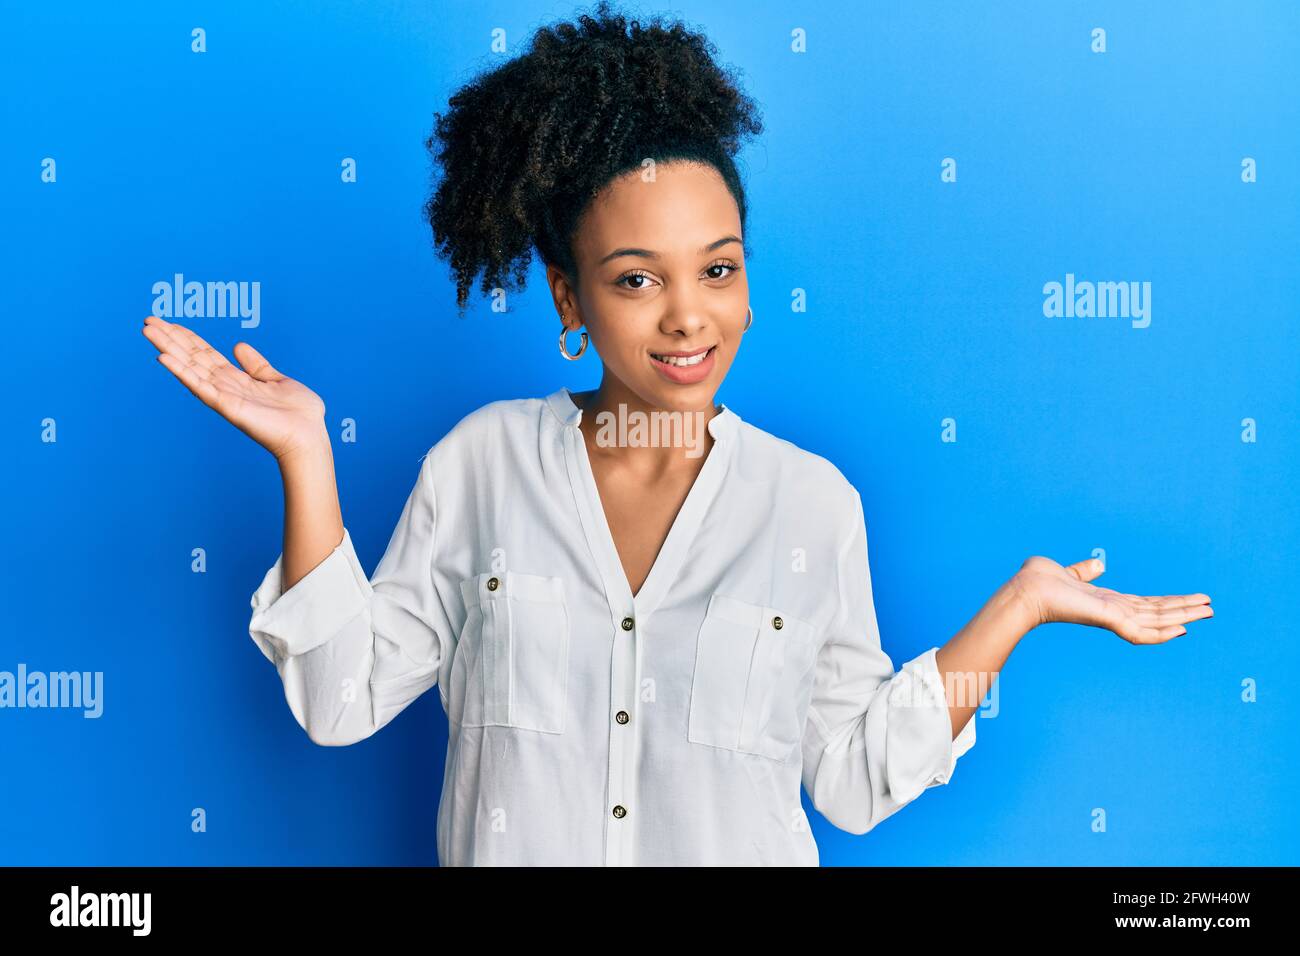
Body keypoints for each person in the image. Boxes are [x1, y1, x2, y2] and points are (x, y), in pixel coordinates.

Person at [140, 1, 1213, 866]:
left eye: (717, 268)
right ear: (568, 298)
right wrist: (304, 457)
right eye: (635, 279)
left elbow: (849, 778)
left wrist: (1017, 607)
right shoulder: (480, 465)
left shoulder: (810, 503)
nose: (687, 314)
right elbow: (337, 701)